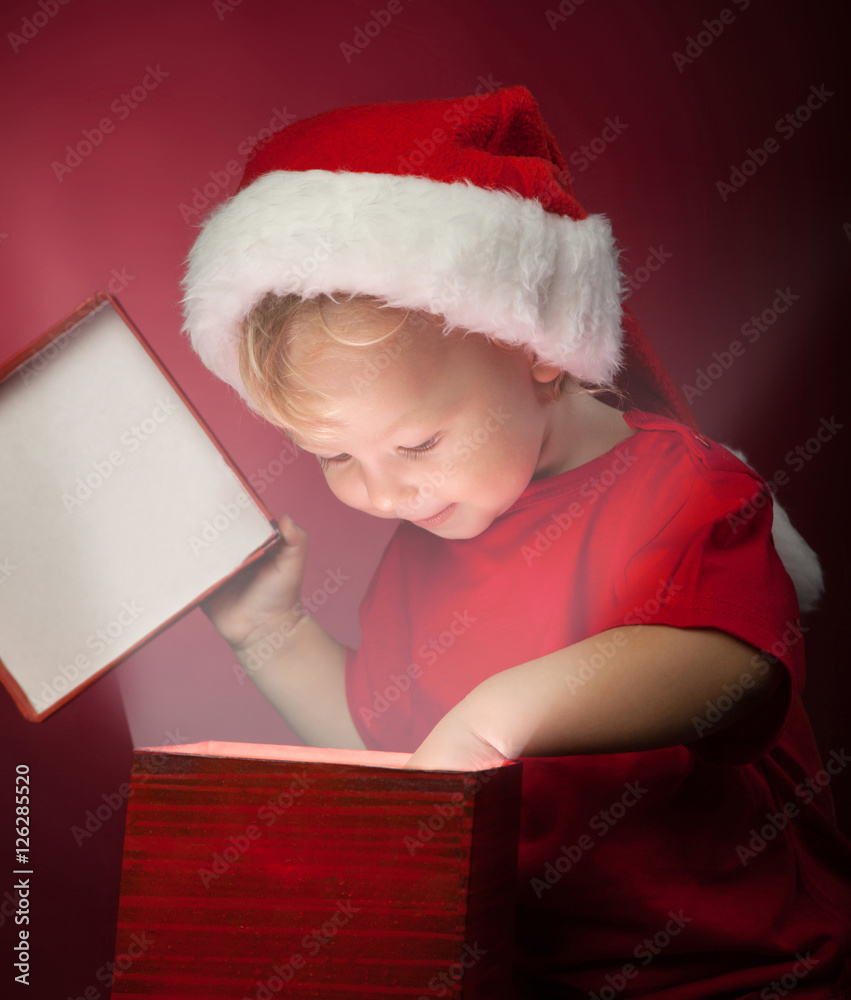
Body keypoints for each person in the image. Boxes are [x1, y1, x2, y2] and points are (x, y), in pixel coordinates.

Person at [182, 86, 851, 998]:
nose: (381, 494)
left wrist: (501, 710)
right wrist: (272, 635)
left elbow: (729, 669)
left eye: (415, 443)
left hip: (737, 972)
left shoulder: (682, 492)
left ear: (534, 347)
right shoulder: (430, 538)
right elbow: (410, 763)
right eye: (334, 456)